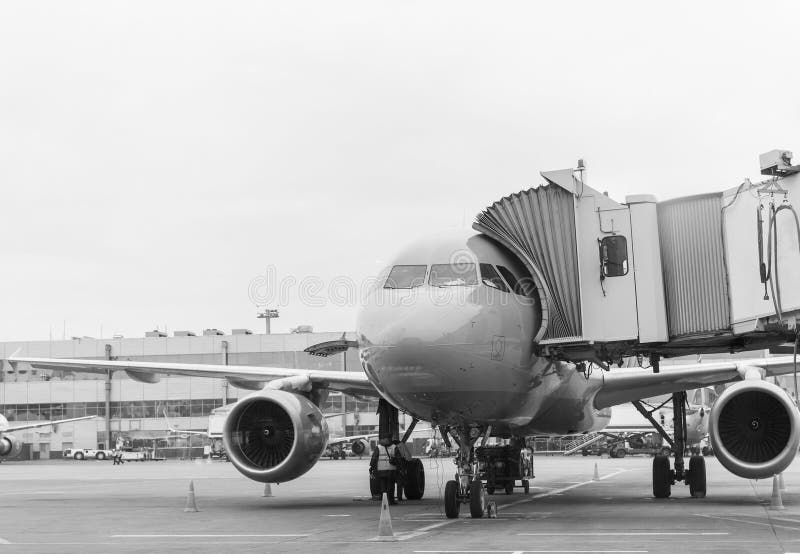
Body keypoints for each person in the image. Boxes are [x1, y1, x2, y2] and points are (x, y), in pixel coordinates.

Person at [369, 438, 398, 505]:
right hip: (391, 470)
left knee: (383, 486)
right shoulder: (394, 447)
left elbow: (374, 458)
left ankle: (384, 501)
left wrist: (372, 467)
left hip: (381, 470)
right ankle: (391, 501)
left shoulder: (378, 447)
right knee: (391, 486)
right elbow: (398, 458)